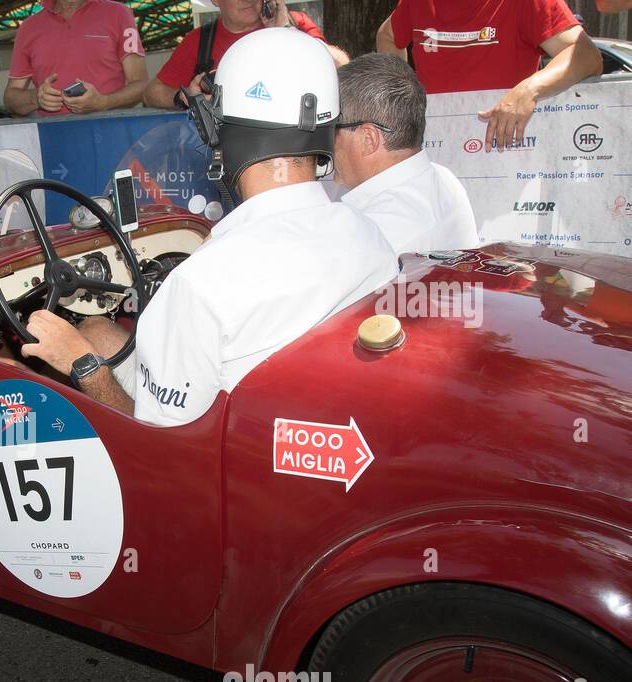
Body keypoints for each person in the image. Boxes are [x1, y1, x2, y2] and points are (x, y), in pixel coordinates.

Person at [21, 28, 397, 426]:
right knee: (98, 329)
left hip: (216, 453)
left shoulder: (201, 285)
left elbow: (156, 446)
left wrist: (81, 363)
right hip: (309, 424)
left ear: (221, 133)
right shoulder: (367, 233)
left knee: (66, 354)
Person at [377, 0, 603, 151]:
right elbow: (387, 36)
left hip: (503, 151)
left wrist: (530, 89)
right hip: (434, 150)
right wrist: (402, 98)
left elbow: (586, 55)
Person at [333, 54, 477, 255]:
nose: (323, 141)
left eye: (330, 128)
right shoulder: (441, 177)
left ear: (368, 139)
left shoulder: (384, 230)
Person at [145, 0, 349, 112]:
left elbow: (343, 67)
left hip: (294, 143)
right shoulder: (201, 40)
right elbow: (151, 93)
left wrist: (286, 31)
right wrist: (185, 97)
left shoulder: (293, 23)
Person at [4, 0, 147, 117]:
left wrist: (103, 102)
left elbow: (141, 84)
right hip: (54, 138)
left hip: (110, 130)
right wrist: (36, 98)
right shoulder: (28, 28)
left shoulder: (118, 13)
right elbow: (10, 98)